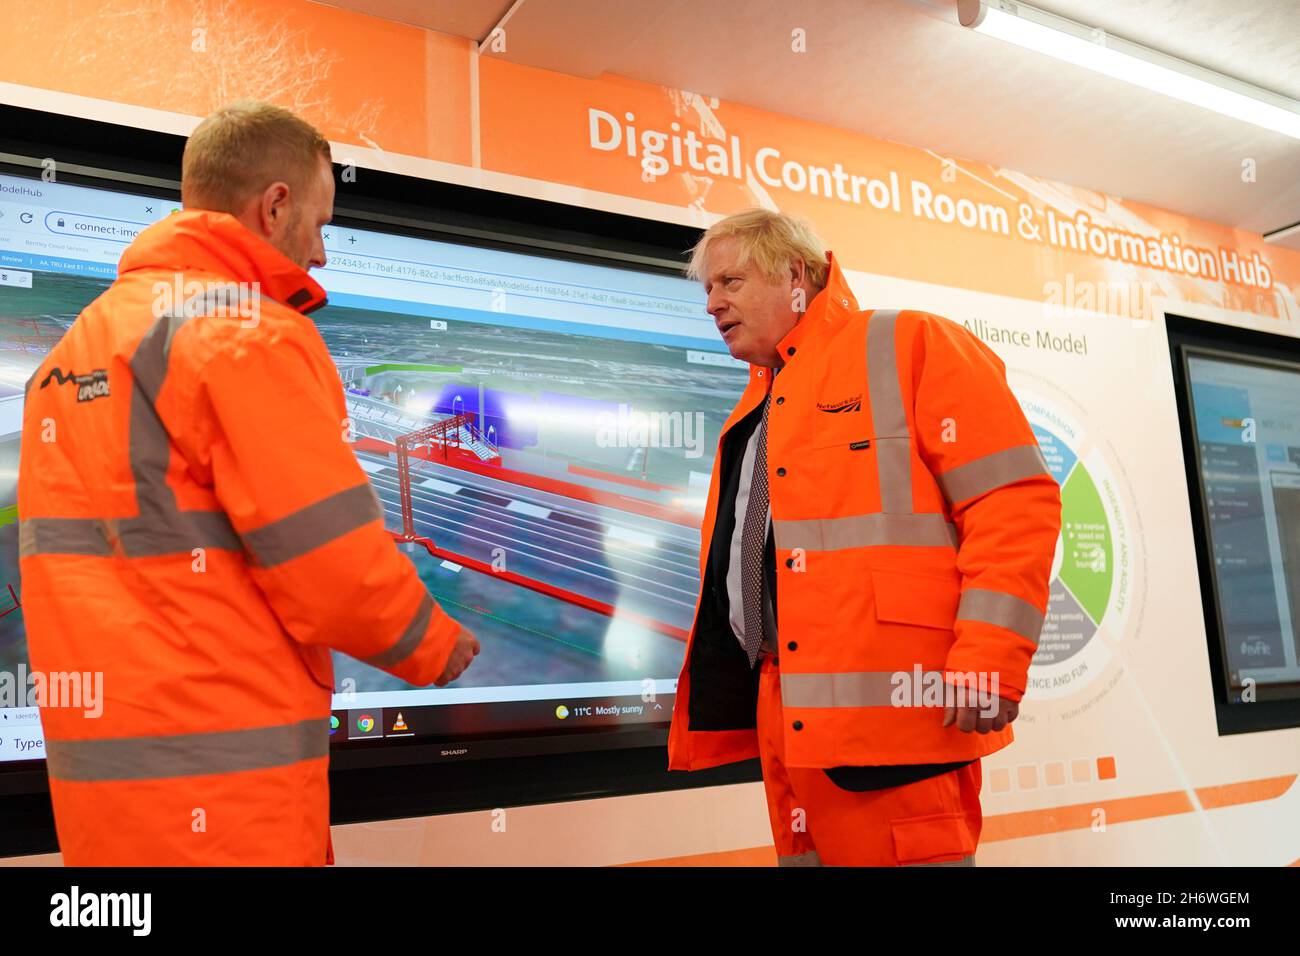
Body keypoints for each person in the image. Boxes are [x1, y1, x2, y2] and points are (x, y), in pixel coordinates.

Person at [18, 100, 478, 866]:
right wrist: (430, 643)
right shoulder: (244, 332)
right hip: (227, 789)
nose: (322, 255)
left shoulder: (72, 352)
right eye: (322, 225)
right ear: (275, 205)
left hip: (105, 796)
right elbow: (325, 556)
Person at [667, 209, 1060, 866]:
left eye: (729, 281)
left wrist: (990, 658)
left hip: (898, 736)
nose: (713, 303)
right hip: (790, 730)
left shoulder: (910, 344)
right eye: (707, 289)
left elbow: (1011, 500)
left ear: (794, 274)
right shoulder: (757, 404)